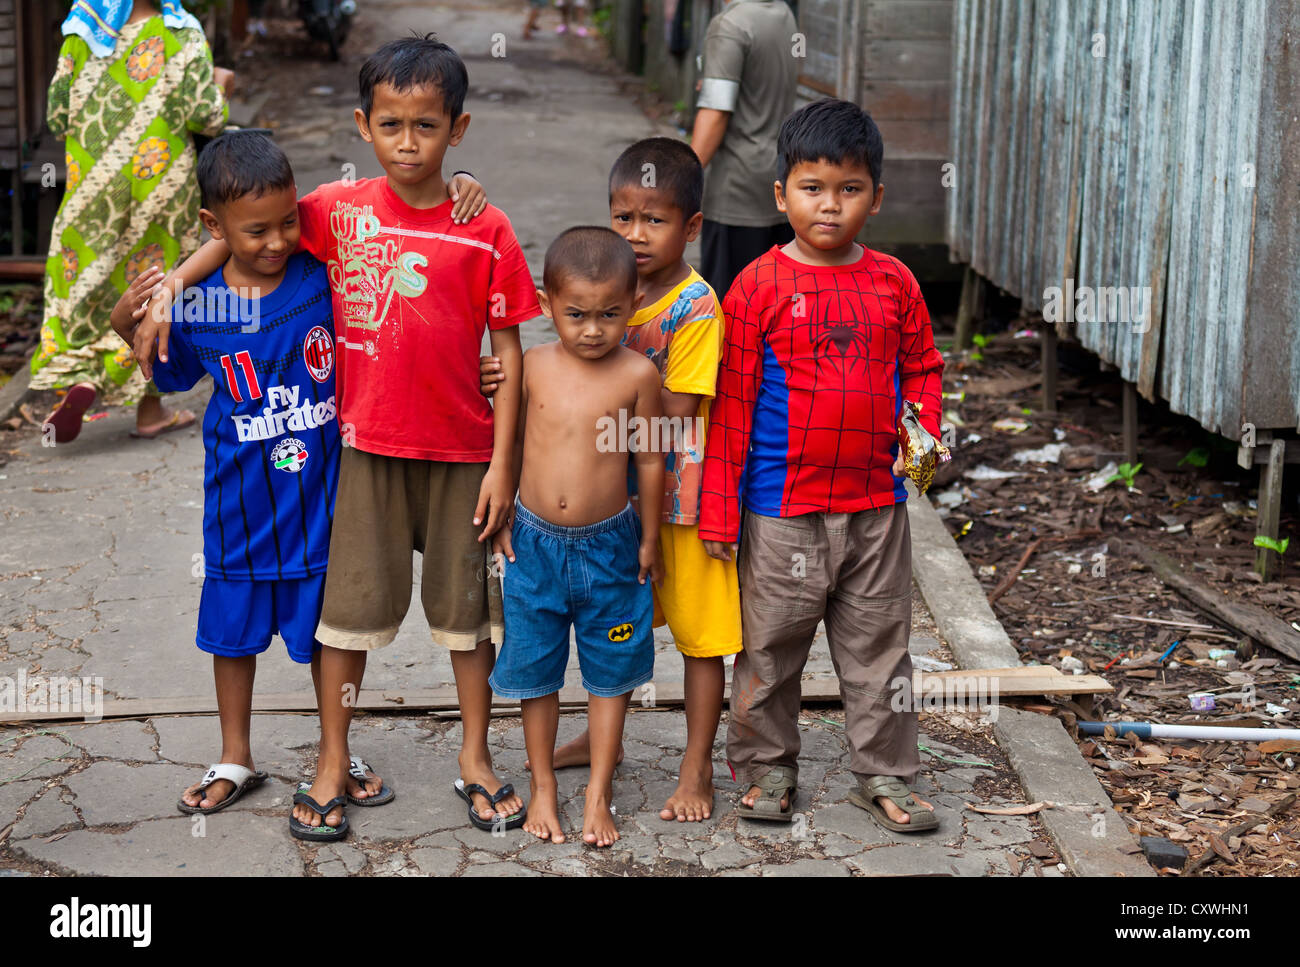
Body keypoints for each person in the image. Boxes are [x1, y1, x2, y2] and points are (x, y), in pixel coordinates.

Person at [129, 35, 522, 837]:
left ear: (458, 128)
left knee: (468, 617)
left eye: (427, 126)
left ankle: (476, 758)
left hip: (461, 452)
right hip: (365, 451)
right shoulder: (335, 212)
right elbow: (245, 225)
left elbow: (510, 351)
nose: (408, 142)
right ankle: (332, 758)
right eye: (391, 124)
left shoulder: (487, 226)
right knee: (345, 618)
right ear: (363, 125)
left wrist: (505, 467)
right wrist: (174, 283)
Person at [698, 98, 944, 834]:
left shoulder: (896, 282)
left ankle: (887, 773)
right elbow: (732, 405)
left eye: (849, 188)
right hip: (781, 510)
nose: (829, 205)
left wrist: (923, 433)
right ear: (781, 195)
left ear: (875, 195)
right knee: (770, 649)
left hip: (876, 506)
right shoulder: (756, 287)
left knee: (878, 653)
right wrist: (719, 509)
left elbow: (924, 368)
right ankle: (767, 765)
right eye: (812, 187)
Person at [480, 138, 741, 823]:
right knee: (592, 642)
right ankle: (598, 755)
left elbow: (669, 424)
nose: (636, 233)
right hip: (579, 522)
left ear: (691, 227)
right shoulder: (598, 294)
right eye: (623, 216)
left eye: (653, 220)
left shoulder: (691, 309)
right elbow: (524, 405)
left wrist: (597, 403)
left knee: (696, 634)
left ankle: (696, 763)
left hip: (677, 505)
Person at [109, 131, 361, 838]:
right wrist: (129, 312)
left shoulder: (320, 272)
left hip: (321, 506)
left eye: (286, 221)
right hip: (239, 505)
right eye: (256, 230)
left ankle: (336, 753)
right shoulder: (199, 307)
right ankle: (235, 756)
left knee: (329, 633)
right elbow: (155, 359)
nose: (278, 238)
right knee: (232, 636)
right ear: (213, 229)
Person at [488, 226, 664, 846]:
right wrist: (503, 504)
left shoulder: (639, 374)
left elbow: (648, 460)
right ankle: (542, 786)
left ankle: (598, 791)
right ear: (545, 305)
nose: (593, 330)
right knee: (535, 668)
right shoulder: (530, 365)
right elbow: (505, 444)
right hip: (533, 543)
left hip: (610, 544)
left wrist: (649, 535)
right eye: (577, 315)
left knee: (611, 668)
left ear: (634, 303)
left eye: (610, 314)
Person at [38, 1, 233, 443]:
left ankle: (82, 379)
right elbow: (207, 115)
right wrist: (222, 85)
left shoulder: (81, 33)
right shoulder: (181, 32)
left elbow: (56, 115)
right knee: (154, 290)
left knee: (87, 283)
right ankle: (150, 410)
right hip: (160, 184)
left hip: (93, 184)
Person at [691, 0, 798, 298]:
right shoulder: (782, 13)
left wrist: (683, 174)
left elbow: (716, 111)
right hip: (778, 182)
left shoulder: (730, 26)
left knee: (730, 307)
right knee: (771, 304)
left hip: (735, 194)